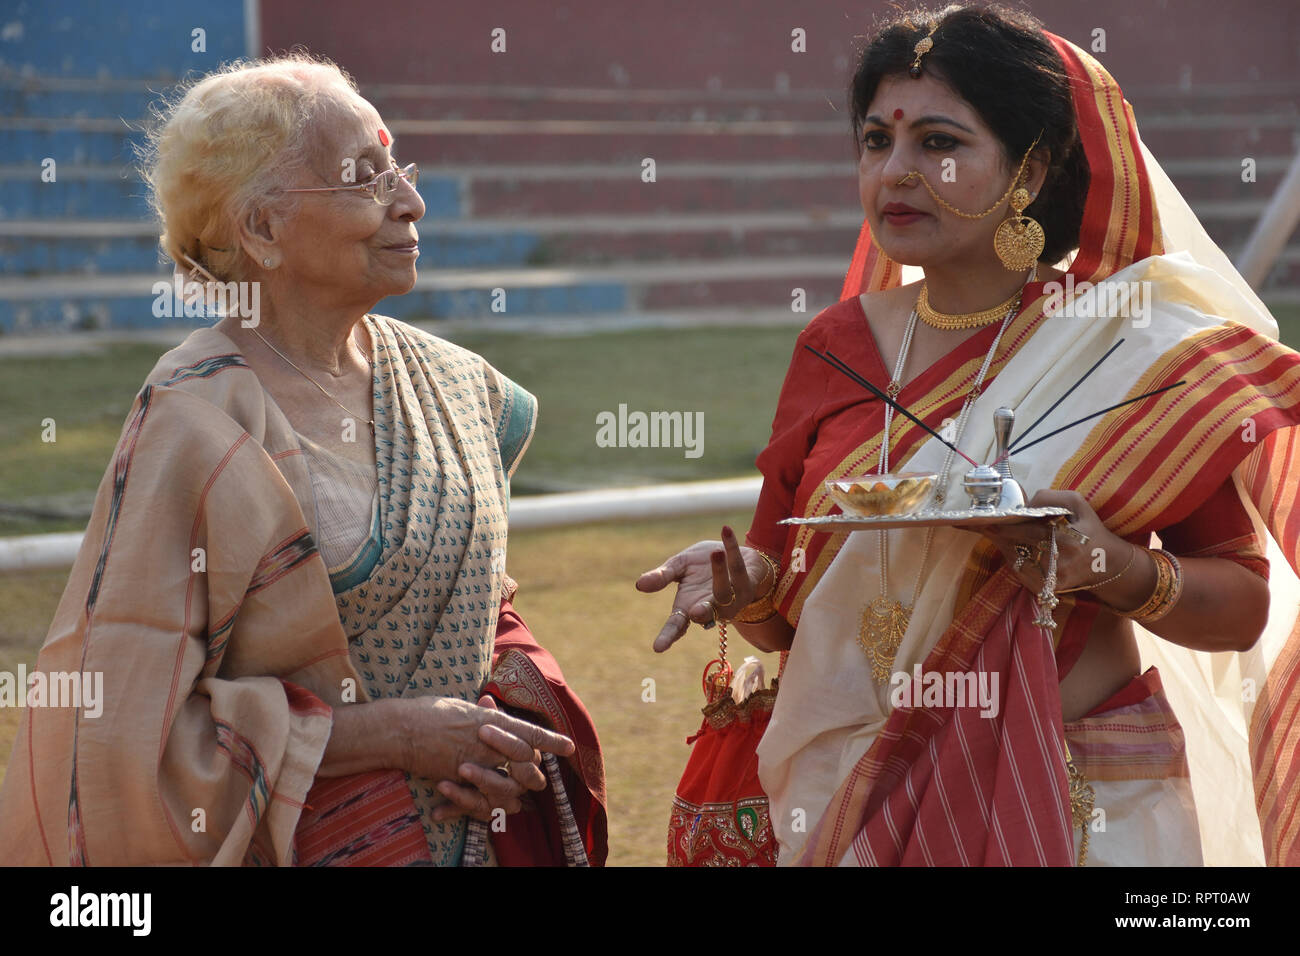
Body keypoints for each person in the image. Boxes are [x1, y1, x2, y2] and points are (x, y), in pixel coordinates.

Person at [639, 3, 1300, 866]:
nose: (897, 174)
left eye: (940, 144)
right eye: (878, 142)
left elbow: (1244, 605)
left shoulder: (1127, 346)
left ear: (1033, 167)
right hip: (853, 791)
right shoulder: (835, 346)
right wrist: (739, 586)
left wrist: (1111, 565)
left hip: (1080, 797)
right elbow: (783, 607)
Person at [0, 54, 607, 866]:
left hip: (476, 829)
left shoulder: (460, 387)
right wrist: (388, 736)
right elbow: (127, 726)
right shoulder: (197, 415)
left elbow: (479, 614)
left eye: (401, 168)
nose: (412, 202)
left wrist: (499, 724)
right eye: (365, 177)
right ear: (261, 229)